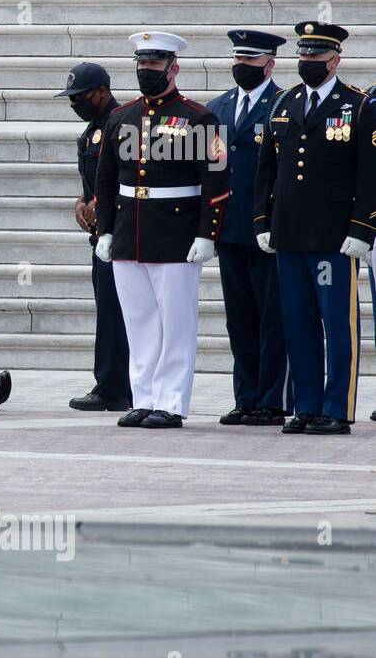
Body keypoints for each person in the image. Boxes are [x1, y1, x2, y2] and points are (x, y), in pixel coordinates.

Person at [94, 31, 230, 429]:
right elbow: (104, 181)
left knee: (176, 323)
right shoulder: (121, 116)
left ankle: (170, 401)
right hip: (128, 231)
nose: (146, 71)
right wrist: (105, 230)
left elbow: (218, 180)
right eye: (142, 64)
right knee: (139, 322)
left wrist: (208, 233)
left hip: (175, 233)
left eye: (153, 64)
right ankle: (144, 397)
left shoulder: (199, 117)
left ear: (174, 68)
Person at [254, 22, 375, 435]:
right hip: (289, 233)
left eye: (317, 59)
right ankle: (306, 404)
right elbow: (266, 169)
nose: (308, 64)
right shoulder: (284, 102)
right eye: (303, 57)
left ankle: (336, 407)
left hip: (333, 236)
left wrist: (362, 228)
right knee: (297, 321)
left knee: (337, 323)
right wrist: (262, 222)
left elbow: (369, 174)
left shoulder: (357, 104)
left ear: (335, 60)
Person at [205, 29, 291, 427]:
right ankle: (247, 396)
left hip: (270, 230)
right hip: (230, 229)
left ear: (269, 64)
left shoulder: (284, 104)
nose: (242, 66)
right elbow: (213, 169)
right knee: (239, 318)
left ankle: (273, 400)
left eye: (251, 61)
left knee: (272, 317)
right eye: (237, 59)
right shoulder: (218, 108)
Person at [54, 62, 130, 412]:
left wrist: (103, 202)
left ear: (102, 91)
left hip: (123, 233)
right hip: (101, 236)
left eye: (80, 97)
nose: (75, 104)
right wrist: (81, 204)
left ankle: (116, 387)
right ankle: (111, 383)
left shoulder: (124, 123)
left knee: (119, 313)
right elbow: (89, 183)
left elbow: (132, 175)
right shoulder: (91, 132)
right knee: (108, 311)